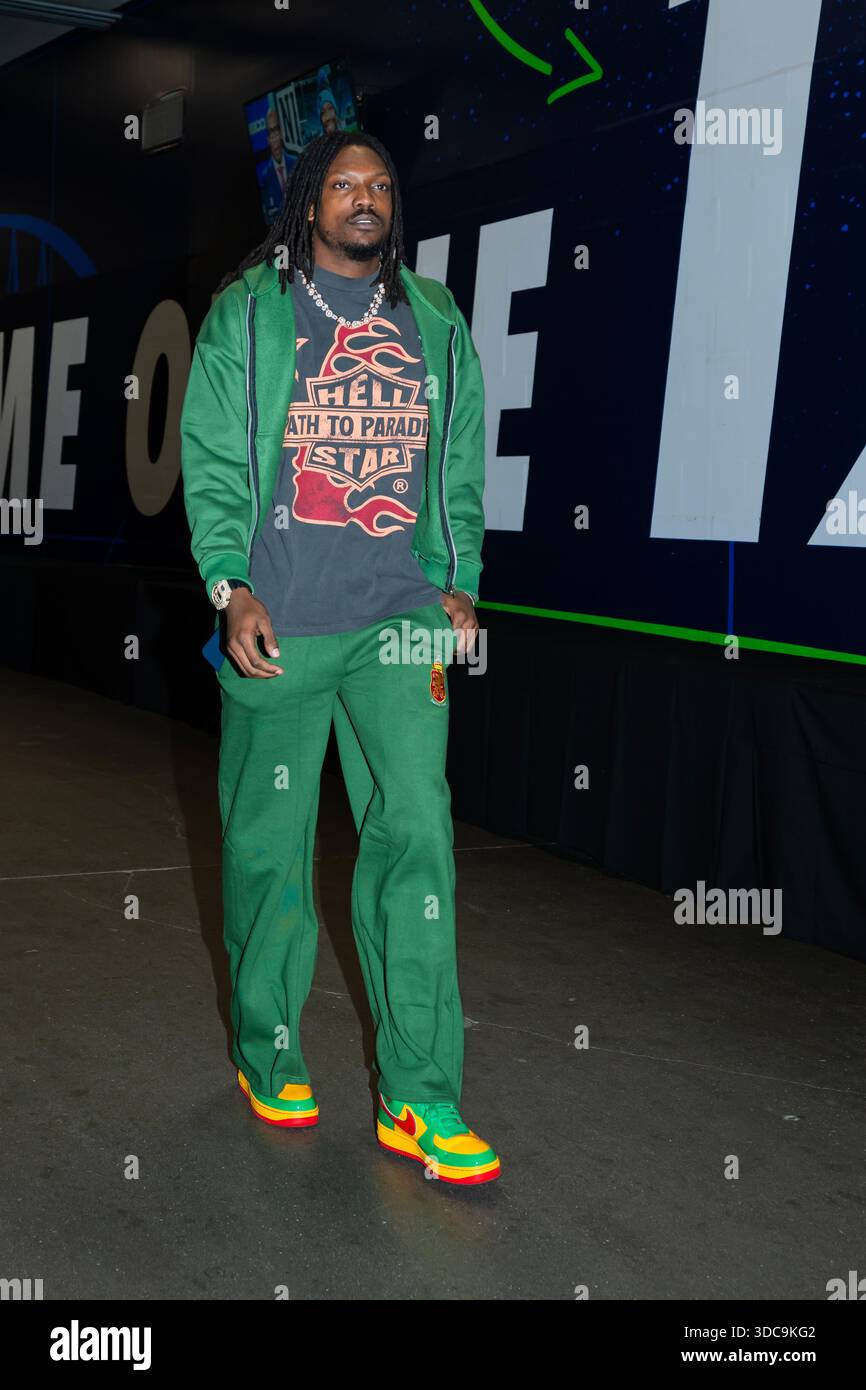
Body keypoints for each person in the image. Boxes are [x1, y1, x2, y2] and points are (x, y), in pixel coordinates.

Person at [180, 131, 499, 1185]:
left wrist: (459, 581)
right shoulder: (250, 312)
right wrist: (229, 587)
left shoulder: (434, 319)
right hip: (279, 624)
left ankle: (419, 1093)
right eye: (344, 184)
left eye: (380, 185)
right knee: (267, 852)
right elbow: (213, 460)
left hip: (400, 623)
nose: (365, 198)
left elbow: (459, 459)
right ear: (308, 202)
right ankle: (266, 1049)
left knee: (418, 841)